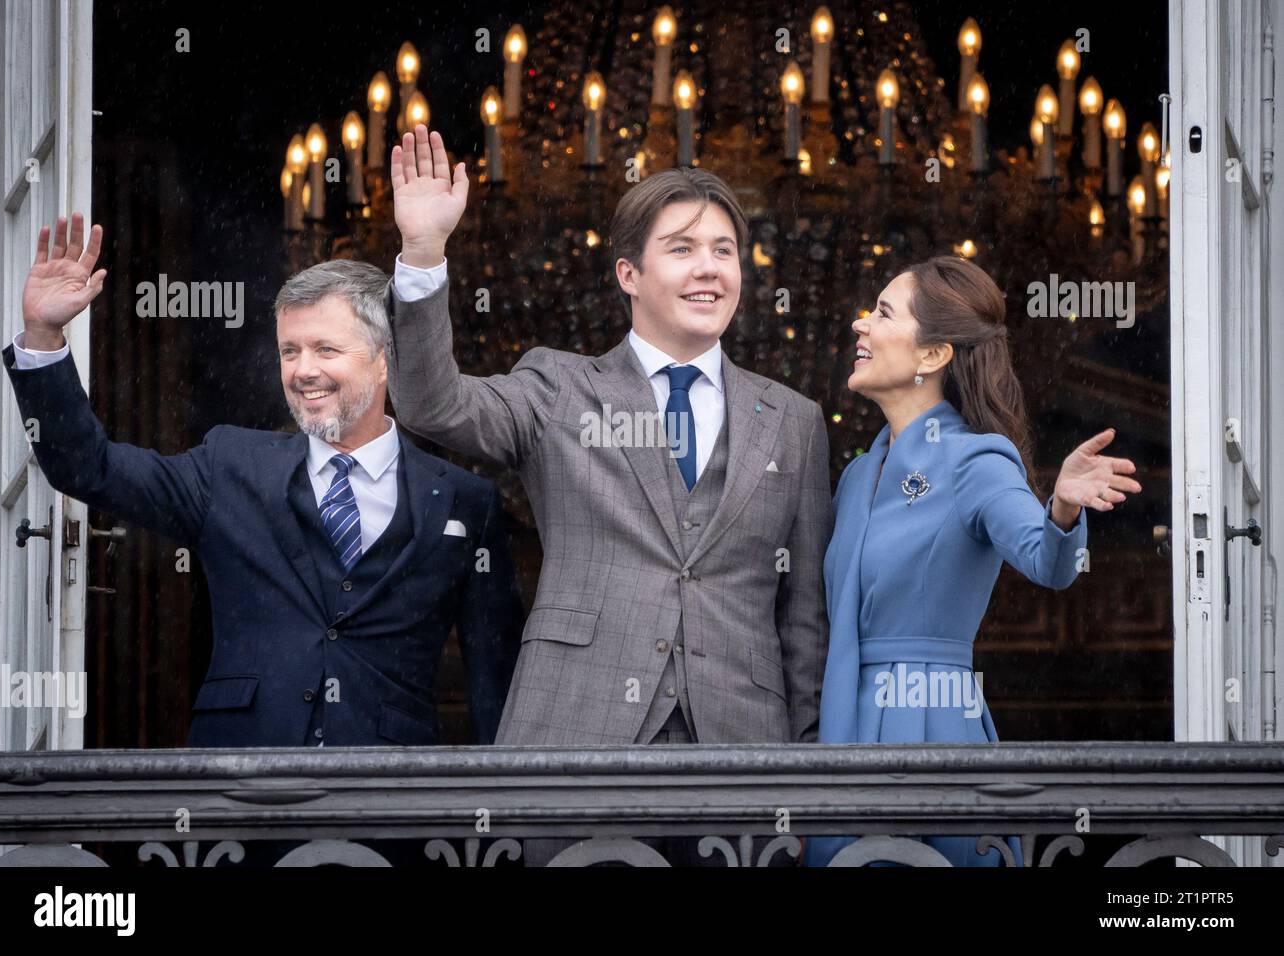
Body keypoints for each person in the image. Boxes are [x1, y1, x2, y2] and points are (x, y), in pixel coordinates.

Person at [384, 126, 832, 865]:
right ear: (629, 273)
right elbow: (434, 404)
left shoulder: (793, 420)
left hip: (743, 755)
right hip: (574, 736)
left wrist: (807, 772)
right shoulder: (560, 387)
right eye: (682, 249)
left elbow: (804, 618)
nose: (709, 269)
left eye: (724, 250)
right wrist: (425, 255)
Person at [4, 213, 524, 751]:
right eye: (289, 351)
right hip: (240, 782)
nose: (302, 370)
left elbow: (496, 679)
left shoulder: (465, 501)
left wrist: (489, 808)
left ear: (384, 361)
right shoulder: (230, 465)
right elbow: (90, 469)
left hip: (389, 791)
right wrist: (44, 335)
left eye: (326, 349)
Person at [805, 256, 1140, 868]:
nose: (860, 325)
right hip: (844, 719)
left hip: (928, 722)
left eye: (881, 312)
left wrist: (1062, 507)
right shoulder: (856, 475)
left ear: (933, 355)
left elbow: (1046, 561)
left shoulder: (978, 459)